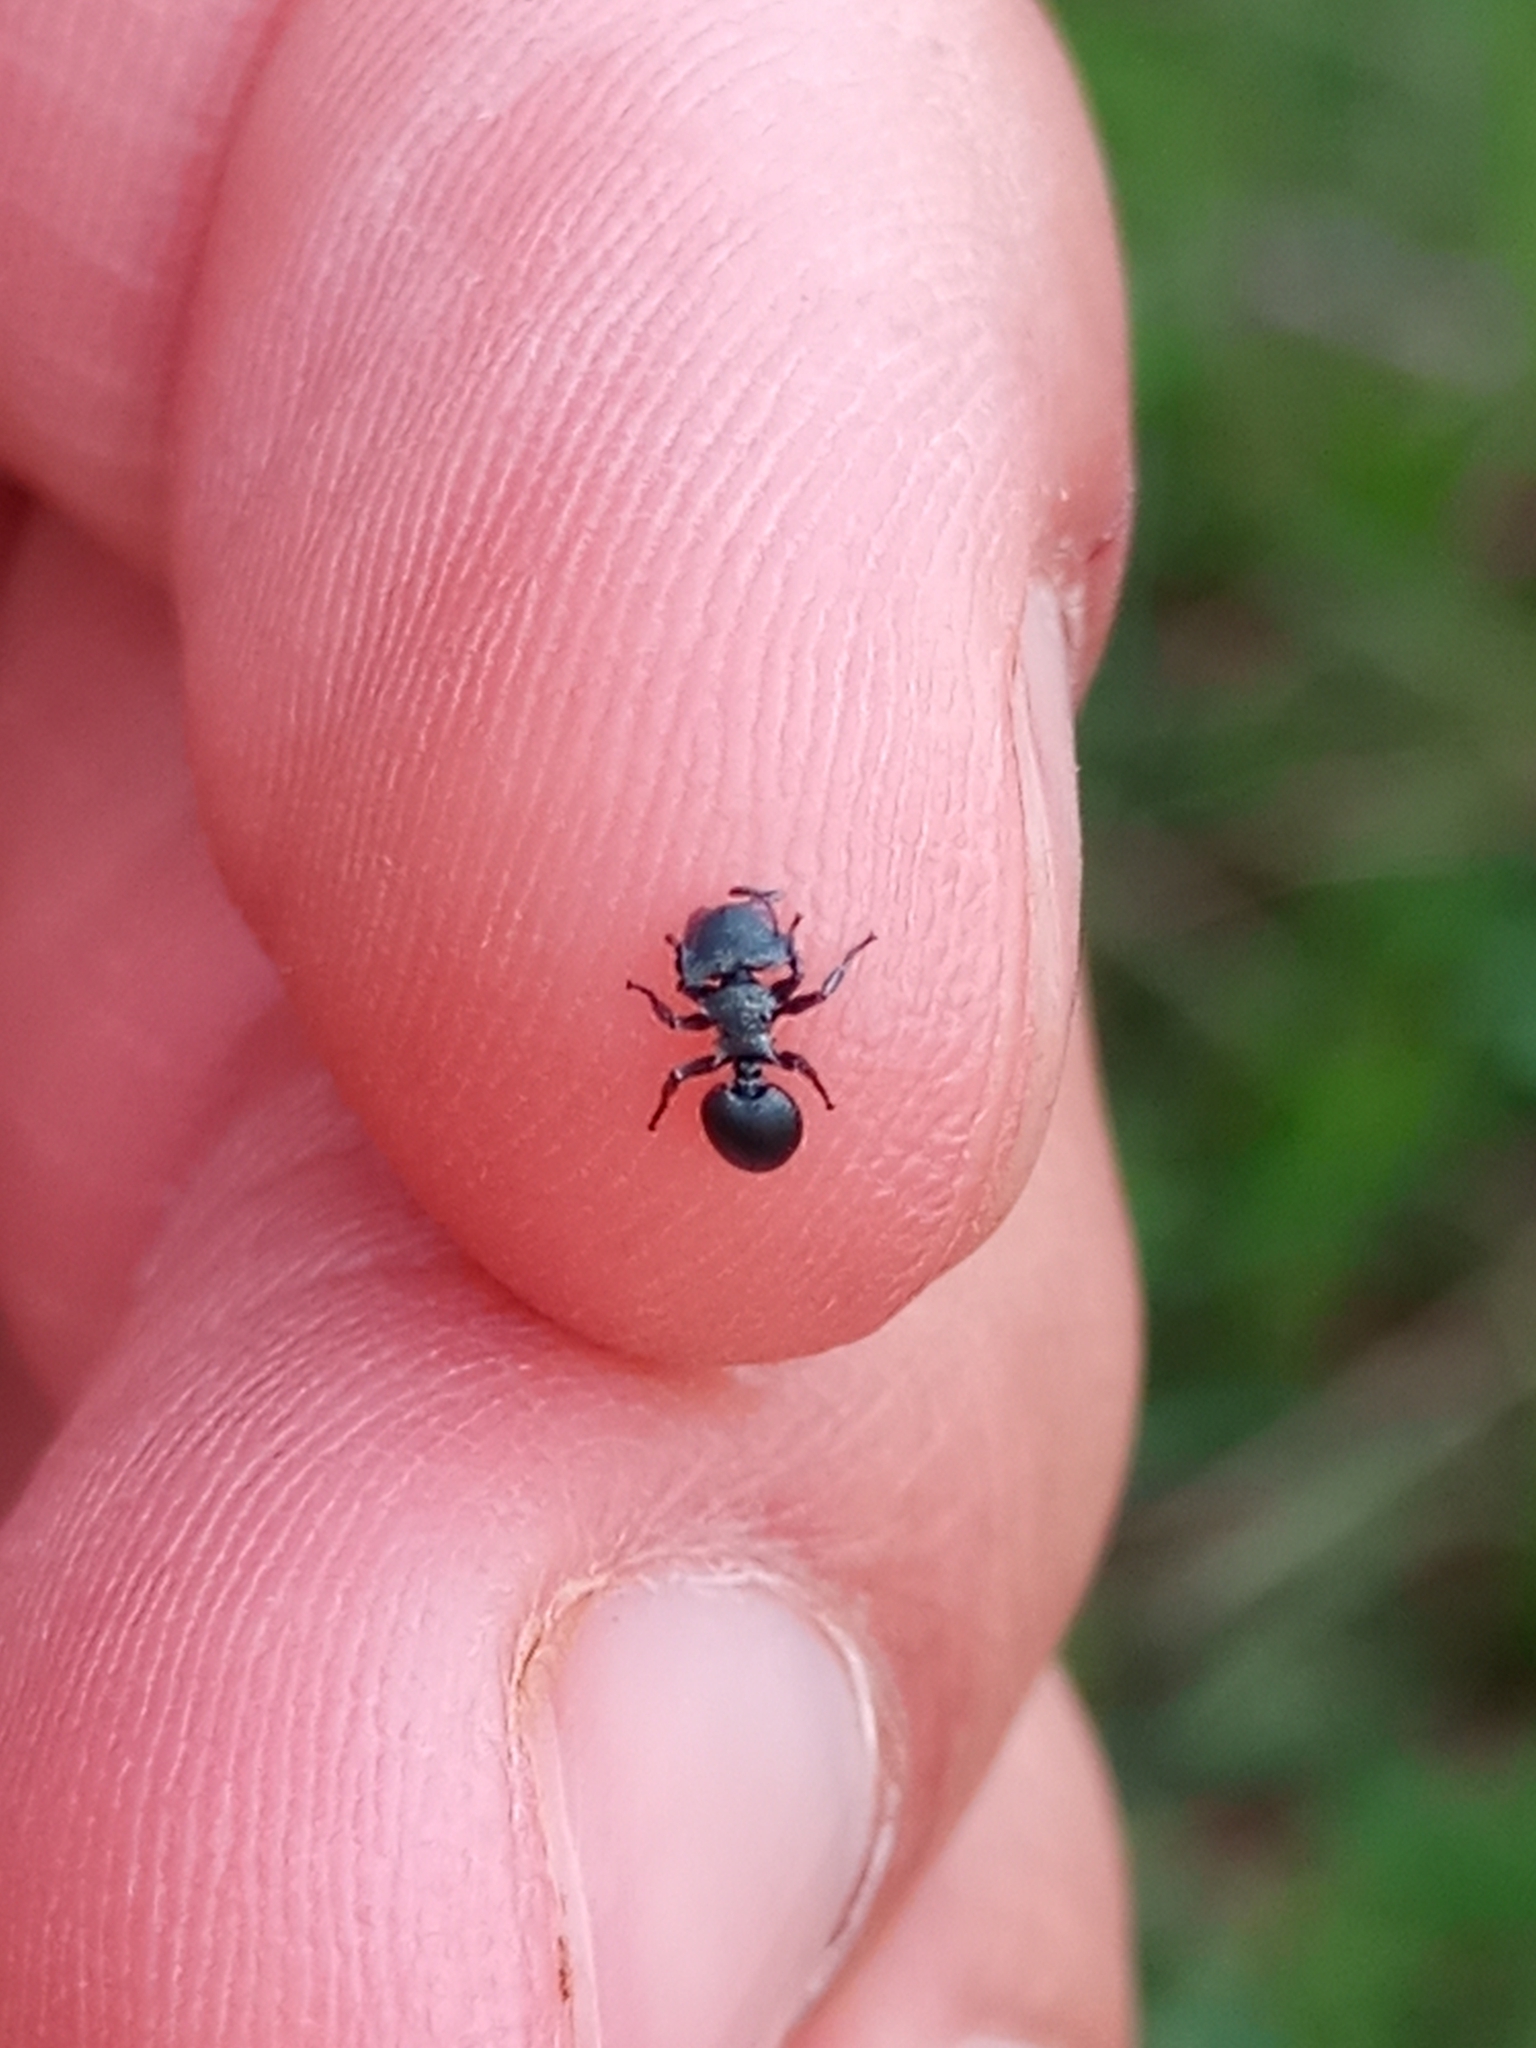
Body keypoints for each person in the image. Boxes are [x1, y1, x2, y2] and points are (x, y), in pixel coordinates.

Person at [0, 1, 1141, 2041]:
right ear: (749, 1024)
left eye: (741, 1002)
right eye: (742, 1002)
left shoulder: (727, 1024)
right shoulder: (739, 1008)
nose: (735, 1009)